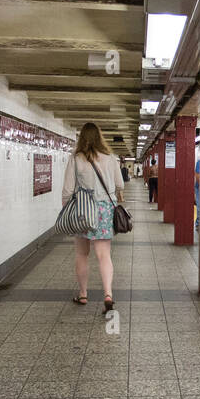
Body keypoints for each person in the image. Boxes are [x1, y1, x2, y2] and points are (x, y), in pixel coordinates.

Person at [63, 121, 125, 311]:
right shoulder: (110, 158)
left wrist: (66, 211)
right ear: (100, 137)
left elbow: (67, 190)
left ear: (81, 137)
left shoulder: (76, 158)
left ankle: (83, 294)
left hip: (83, 210)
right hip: (105, 210)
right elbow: (120, 185)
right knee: (104, 255)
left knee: (82, 254)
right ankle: (108, 294)